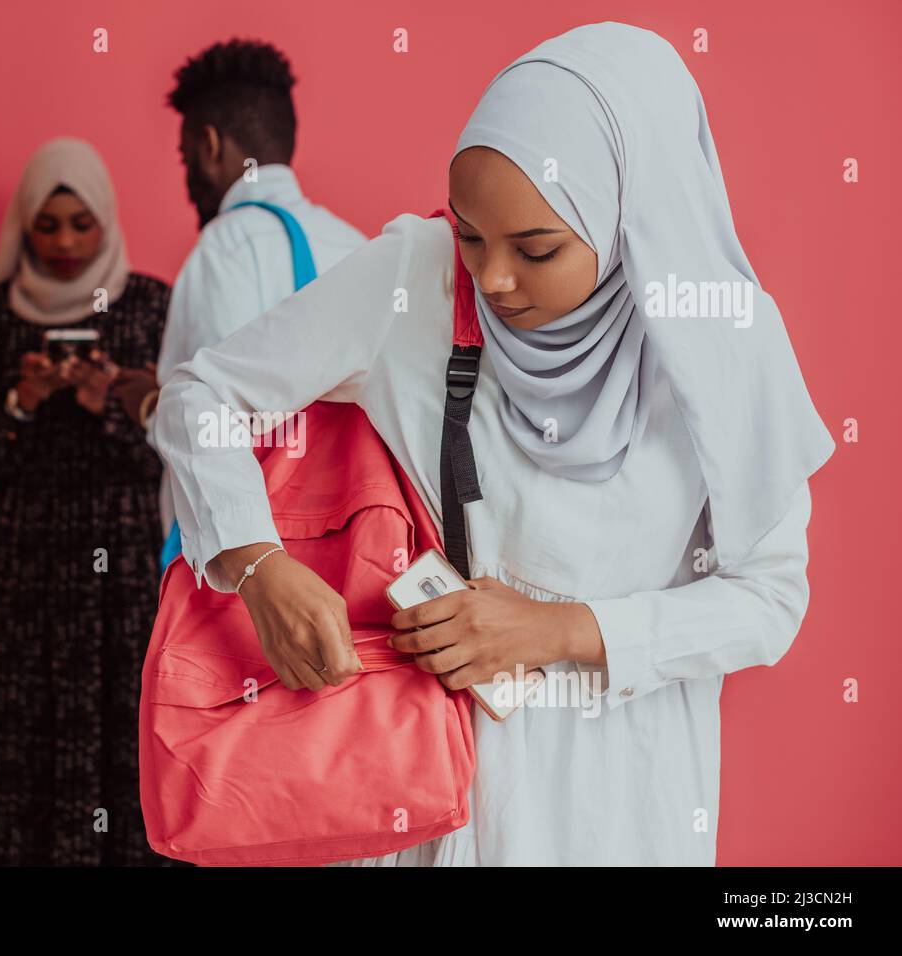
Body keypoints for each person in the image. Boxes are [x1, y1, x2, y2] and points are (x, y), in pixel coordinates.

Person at [152, 22, 834, 866]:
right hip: (439, 788)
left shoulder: (726, 338)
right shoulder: (418, 274)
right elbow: (198, 396)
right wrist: (256, 566)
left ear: (628, 215)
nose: (494, 278)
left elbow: (770, 603)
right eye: (473, 234)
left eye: (536, 248)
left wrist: (563, 630)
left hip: (629, 801)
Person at [0, 137, 175, 866]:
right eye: (47, 225)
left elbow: (176, 452)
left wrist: (109, 400)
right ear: (24, 226)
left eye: (82, 223)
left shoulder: (150, 304)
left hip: (122, 575)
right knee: (20, 745)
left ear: (107, 219)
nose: (67, 242)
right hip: (22, 572)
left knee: (121, 737)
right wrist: (23, 400)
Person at [113, 39, 366, 569]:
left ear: (209, 145)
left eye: (186, 157)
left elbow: (214, 429)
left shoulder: (222, 249)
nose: (188, 179)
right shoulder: (357, 246)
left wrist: (146, 404)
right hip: (348, 546)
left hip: (256, 564)